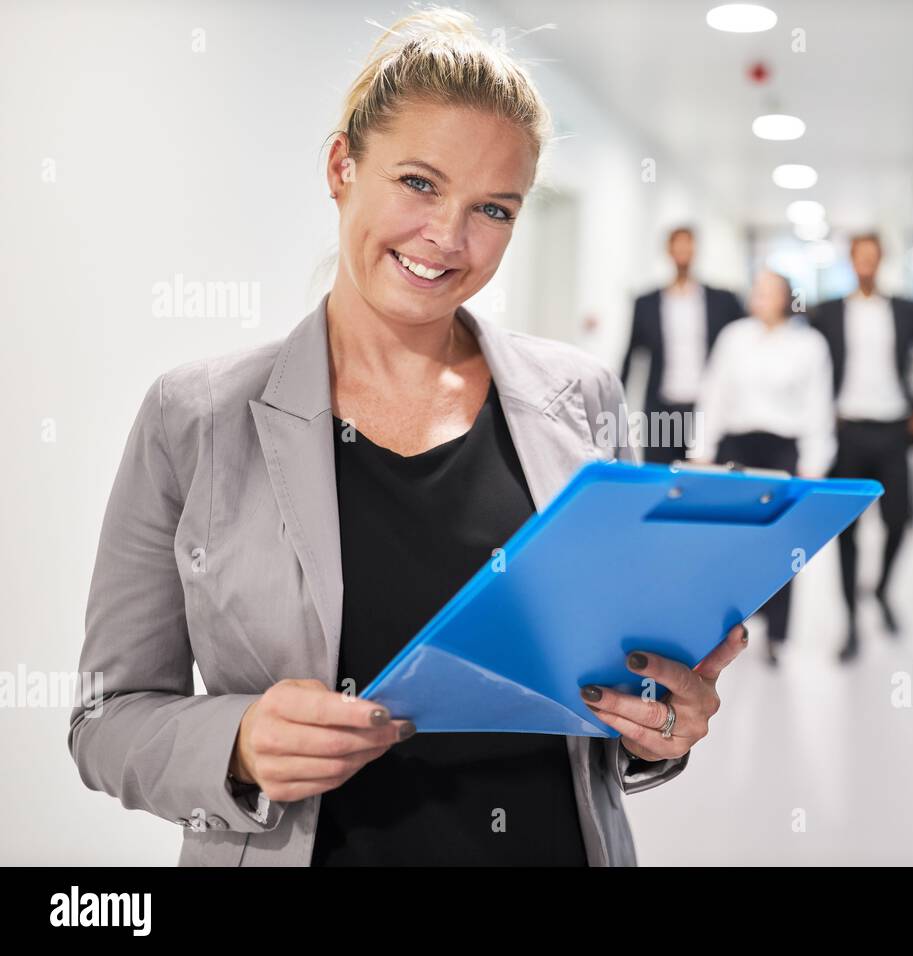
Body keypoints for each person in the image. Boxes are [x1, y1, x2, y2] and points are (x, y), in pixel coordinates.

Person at [67, 6, 747, 868]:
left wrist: (662, 726)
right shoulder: (194, 417)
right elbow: (105, 717)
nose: (448, 239)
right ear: (341, 166)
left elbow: (613, 701)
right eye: (419, 183)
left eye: (493, 208)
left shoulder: (583, 398)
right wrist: (235, 740)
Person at [810, 232, 913, 663]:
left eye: (873, 256)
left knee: (899, 519)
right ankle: (850, 622)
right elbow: (808, 364)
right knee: (847, 530)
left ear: (881, 260)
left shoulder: (905, 309)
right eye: (859, 256)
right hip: (847, 431)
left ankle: (883, 589)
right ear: (851, 261)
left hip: (894, 430)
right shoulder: (827, 312)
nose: (866, 263)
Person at [687, 270, 836, 666]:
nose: (759, 296)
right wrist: (701, 450)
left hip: (783, 451)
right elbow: (713, 393)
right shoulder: (734, 337)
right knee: (733, 542)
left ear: (787, 297)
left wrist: (814, 463)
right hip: (737, 448)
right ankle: (727, 631)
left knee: (782, 545)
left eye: (768, 291)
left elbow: (817, 407)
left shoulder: (810, 344)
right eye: (756, 289)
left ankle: (777, 635)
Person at [619, 227, 745, 464]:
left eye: (688, 245)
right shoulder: (646, 302)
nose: (683, 251)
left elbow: (742, 347)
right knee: (660, 478)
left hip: (707, 408)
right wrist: (615, 404)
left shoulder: (722, 301)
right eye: (677, 246)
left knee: (705, 477)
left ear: (695, 250)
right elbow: (631, 356)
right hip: (661, 408)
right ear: (668, 251)